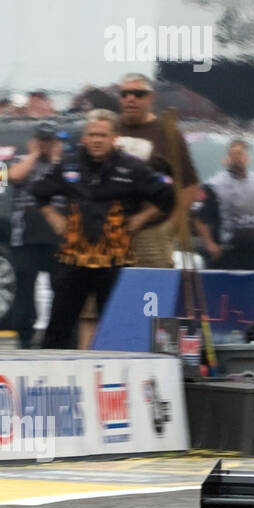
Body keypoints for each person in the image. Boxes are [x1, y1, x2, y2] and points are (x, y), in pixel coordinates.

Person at [32, 110, 175, 349]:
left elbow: (167, 196)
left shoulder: (133, 168)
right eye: (92, 135)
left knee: (117, 328)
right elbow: (38, 192)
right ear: (84, 138)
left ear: (114, 138)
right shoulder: (68, 163)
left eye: (103, 135)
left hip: (114, 262)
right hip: (74, 260)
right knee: (58, 330)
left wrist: (141, 219)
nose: (97, 140)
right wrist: (53, 218)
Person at [116, 73, 200, 267]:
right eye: (125, 94)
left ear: (150, 97)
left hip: (152, 232)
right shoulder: (110, 129)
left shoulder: (167, 132)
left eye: (138, 93)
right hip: (111, 230)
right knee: (107, 295)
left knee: (151, 291)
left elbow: (189, 185)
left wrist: (170, 225)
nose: (131, 98)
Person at [6, 124, 65, 347]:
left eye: (49, 139)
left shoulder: (62, 163)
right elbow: (8, 178)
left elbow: (70, 185)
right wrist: (33, 154)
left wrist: (56, 158)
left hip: (57, 237)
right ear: (34, 140)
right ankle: (24, 335)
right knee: (24, 288)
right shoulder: (17, 159)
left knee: (60, 288)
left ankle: (57, 335)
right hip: (25, 238)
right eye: (41, 139)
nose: (45, 143)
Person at [194, 139, 254, 270]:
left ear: (247, 158)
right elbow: (200, 218)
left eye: (241, 154)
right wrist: (209, 244)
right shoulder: (214, 185)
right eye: (234, 154)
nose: (237, 158)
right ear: (228, 158)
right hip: (227, 254)